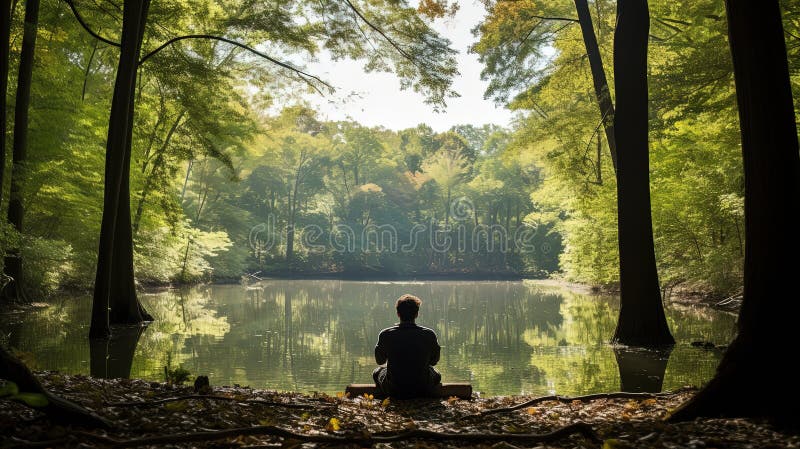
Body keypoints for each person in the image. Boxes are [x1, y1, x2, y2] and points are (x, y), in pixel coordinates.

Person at [373, 294, 442, 398]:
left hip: (394, 390)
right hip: (423, 388)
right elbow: (434, 361)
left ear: (398, 314)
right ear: (417, 314)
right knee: (436, 373)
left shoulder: (385, 334)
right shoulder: (429, 334)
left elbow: (380, 361)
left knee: (377, 372)